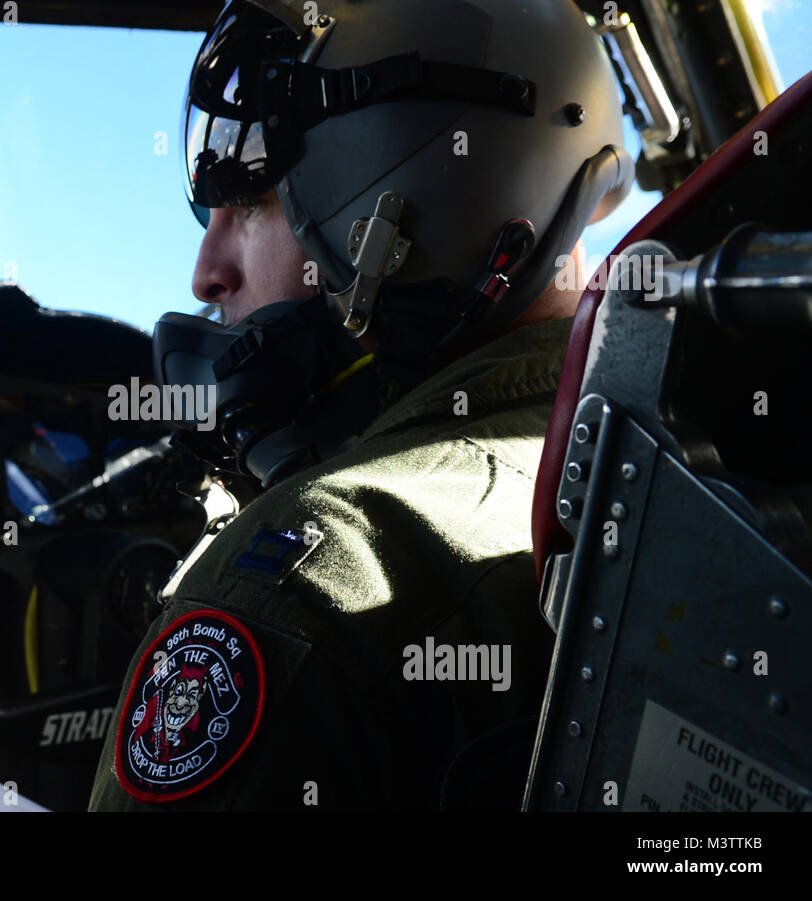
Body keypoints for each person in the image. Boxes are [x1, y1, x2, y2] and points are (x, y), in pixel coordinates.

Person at [88, 0, 632, 810]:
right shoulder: (668, 462)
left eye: (249, 202)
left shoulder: (311, 572)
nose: (205, 273)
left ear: (399, 202)